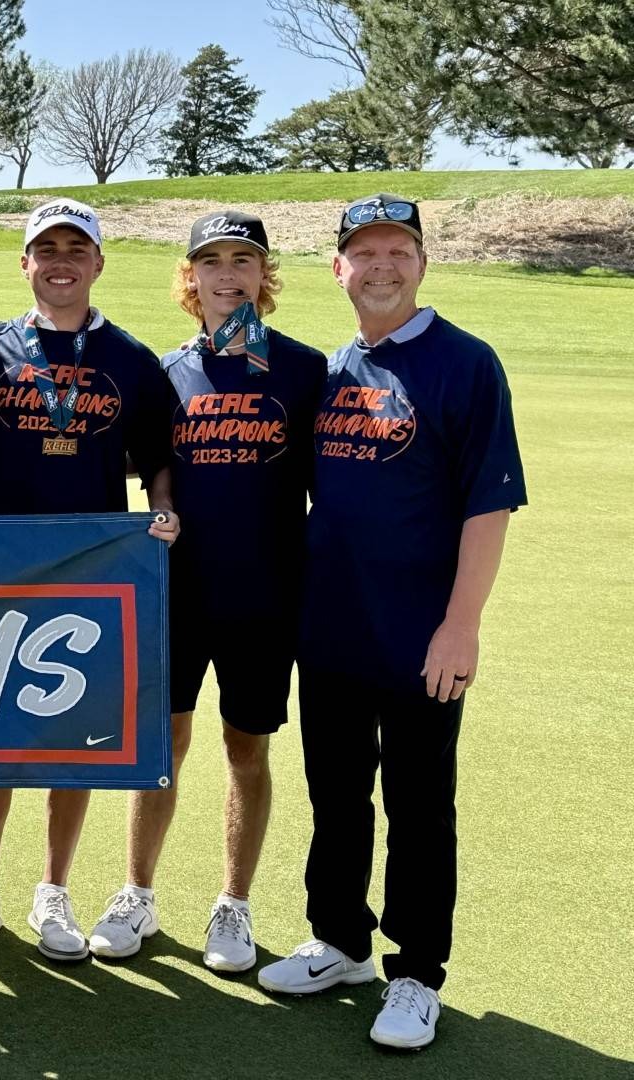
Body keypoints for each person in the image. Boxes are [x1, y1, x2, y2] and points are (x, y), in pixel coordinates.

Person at [258, 194, 525, 1051]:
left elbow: (489, 506)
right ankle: (341, 941)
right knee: (337, 798)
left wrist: (462, 625)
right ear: (337, 270)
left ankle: (416, 974)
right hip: (331, 628)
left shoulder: (465, 363)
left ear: (420, 263)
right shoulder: (334, 369)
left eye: (396, 251)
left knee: (419, 807)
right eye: (362, 254)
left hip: (421, 637)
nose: (380, 266)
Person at [84, 211, 326, 970]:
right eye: (212, 262)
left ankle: (234, 905)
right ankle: (138, 894)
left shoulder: (306, 369)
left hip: (265, 593)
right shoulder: (166, 371)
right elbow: (142, 463)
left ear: (265, 276)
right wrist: (156, 503)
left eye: (243, 261)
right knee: (163, 744)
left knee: (245, 748)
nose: (228, 275)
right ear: (191, 278)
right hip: (175, 592)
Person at [0, 198, 180, 961]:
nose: (61, 261)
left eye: (77, 248)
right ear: (26, 263)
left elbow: (160, 458)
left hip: (90, 576)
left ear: (99, 262)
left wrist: (165, 510)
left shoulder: (133, 361)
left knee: (70, 734)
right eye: (46, 249)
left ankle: (54, 890)